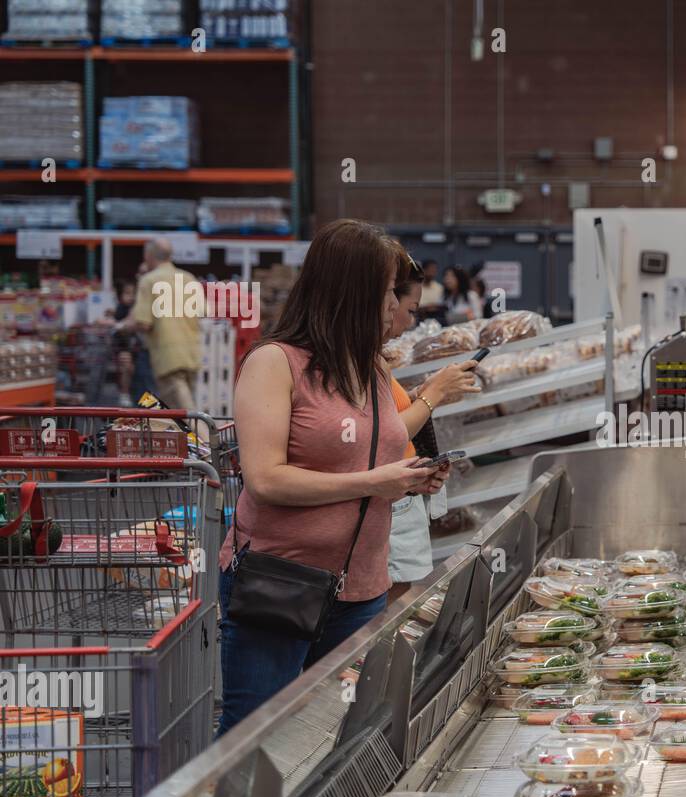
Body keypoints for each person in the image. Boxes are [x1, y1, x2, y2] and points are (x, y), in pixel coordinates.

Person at [215, 219, 451, 736]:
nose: (397, 305)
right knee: (254, 733)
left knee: (336, 728)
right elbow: (266, 479)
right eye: (389, 291)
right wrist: (375, 483)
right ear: (353, 291)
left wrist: (409, 478)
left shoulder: (368, 367)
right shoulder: (275, 364)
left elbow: (371, 458)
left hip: (363, 587)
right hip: (281, 582)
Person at [384, 250, 481, 603]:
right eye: (407, 309)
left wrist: (420, 394)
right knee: (379, 627)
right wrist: (433, 395)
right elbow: (383, 435)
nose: (406, 321)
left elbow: (380, 422)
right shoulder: (350, 361)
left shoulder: (373, 362)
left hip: (398, 503)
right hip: (388, 511)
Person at [130, 238, 202, 411]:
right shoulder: (188, 278)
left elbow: (143, 323)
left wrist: (124, 326)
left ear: (148, 256)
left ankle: (207, 439)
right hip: (191, 354)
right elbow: (202, 312)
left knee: (185, 415)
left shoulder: (149, 281)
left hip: (167, 358)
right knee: (177, 413)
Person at [109, 278, 158, 405]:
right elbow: (124, 324)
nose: (131, 297)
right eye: (127, 293)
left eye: (133, 293)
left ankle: (147, 409)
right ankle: (127, 394)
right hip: (125, 345)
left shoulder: (137, 307)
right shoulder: (122, 309)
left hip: (137, 348)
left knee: (139, 377)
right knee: (128, 368)